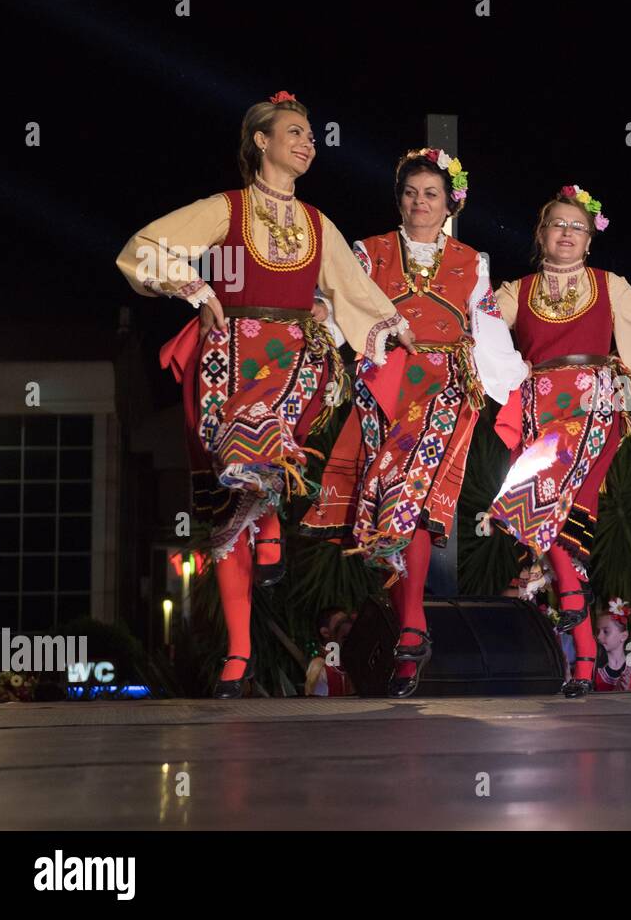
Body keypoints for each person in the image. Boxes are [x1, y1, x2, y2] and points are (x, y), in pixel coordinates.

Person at [117, 91, 418, 697]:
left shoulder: (317, 223)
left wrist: (400, 335)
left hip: (292, 362)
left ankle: (274, 529)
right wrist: (198, 292)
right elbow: (144, 248)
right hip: (228, 358)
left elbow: (355, 293)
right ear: (261, 140)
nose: (308, 143)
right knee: (227, 509)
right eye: (296, 132)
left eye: (311, 135)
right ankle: (239, 651)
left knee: (263, 449)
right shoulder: (225, 209)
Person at [302, 148, 527, 698]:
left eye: (430, 193)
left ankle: (411, 628)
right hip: (384, 383)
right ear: (398, 200)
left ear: (450, 202)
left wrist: (518, 385)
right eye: (410, 192)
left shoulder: (473, 262)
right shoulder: (367, 252)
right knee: (390, 505)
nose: (419, 202)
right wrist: (315, 323)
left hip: (447, 385)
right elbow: (337, 306)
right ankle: (410, 632)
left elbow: (489, 328)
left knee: (411, 496)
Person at [489, 185, 631, 697]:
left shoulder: (610, 286)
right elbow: (479, 332)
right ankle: (583, 656)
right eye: (557, 224)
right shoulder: (517, 291)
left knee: (539, 507)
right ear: (541, 235)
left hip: (593, 404)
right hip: (540, 408)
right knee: (550, 522)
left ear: (589, 239)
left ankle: (578, 629)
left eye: (576, 226)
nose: (566, 232)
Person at [305, 607, 356, 696]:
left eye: (346, 621)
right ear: (325, 632)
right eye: (339, 624)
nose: (346, 627)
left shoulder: (350, 663)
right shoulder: (320, 668)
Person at [593, 598, 631, 692]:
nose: (599, 637)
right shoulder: (593, 669)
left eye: (606, 631)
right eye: (597, 631)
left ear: (624, 636)